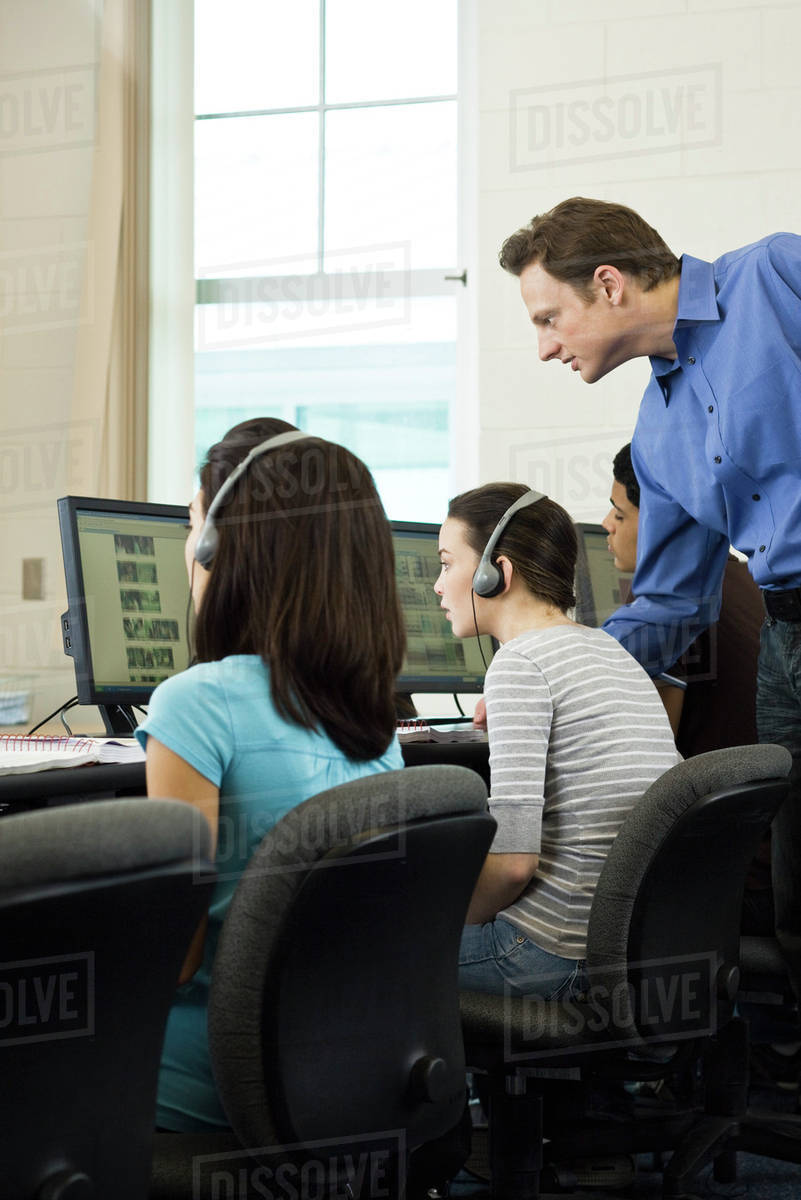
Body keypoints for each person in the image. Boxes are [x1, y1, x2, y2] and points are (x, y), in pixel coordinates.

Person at [500, 197, 801, 1005]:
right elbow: (669, 605)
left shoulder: (774, 275)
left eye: (547, 319)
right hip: (789, 645)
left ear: (607, 285)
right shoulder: (657, 431)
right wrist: (547, 665)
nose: (543, 348)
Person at [135, 417, 406, 1131]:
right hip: (341, 1073)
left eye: (194, 528)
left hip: (211, 1076)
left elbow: (175, 954)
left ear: (220, 547)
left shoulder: (195, 705)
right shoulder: (375, 727)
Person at [434, 482, 680, 997]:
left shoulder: (520, 666)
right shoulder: (609, 650)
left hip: (548, 954)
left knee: (368, 950)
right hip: (632, 947)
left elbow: (512, 867)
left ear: (494, 575)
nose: (438, 585)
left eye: (446, 563)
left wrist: (447, 917)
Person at [602, 442, 764, 760]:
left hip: (706, 801)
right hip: (764, 797)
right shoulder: (750, 579)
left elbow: (650, 754)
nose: (607, 523)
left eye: (620, 514)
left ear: (661, 521)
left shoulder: (661, 605)